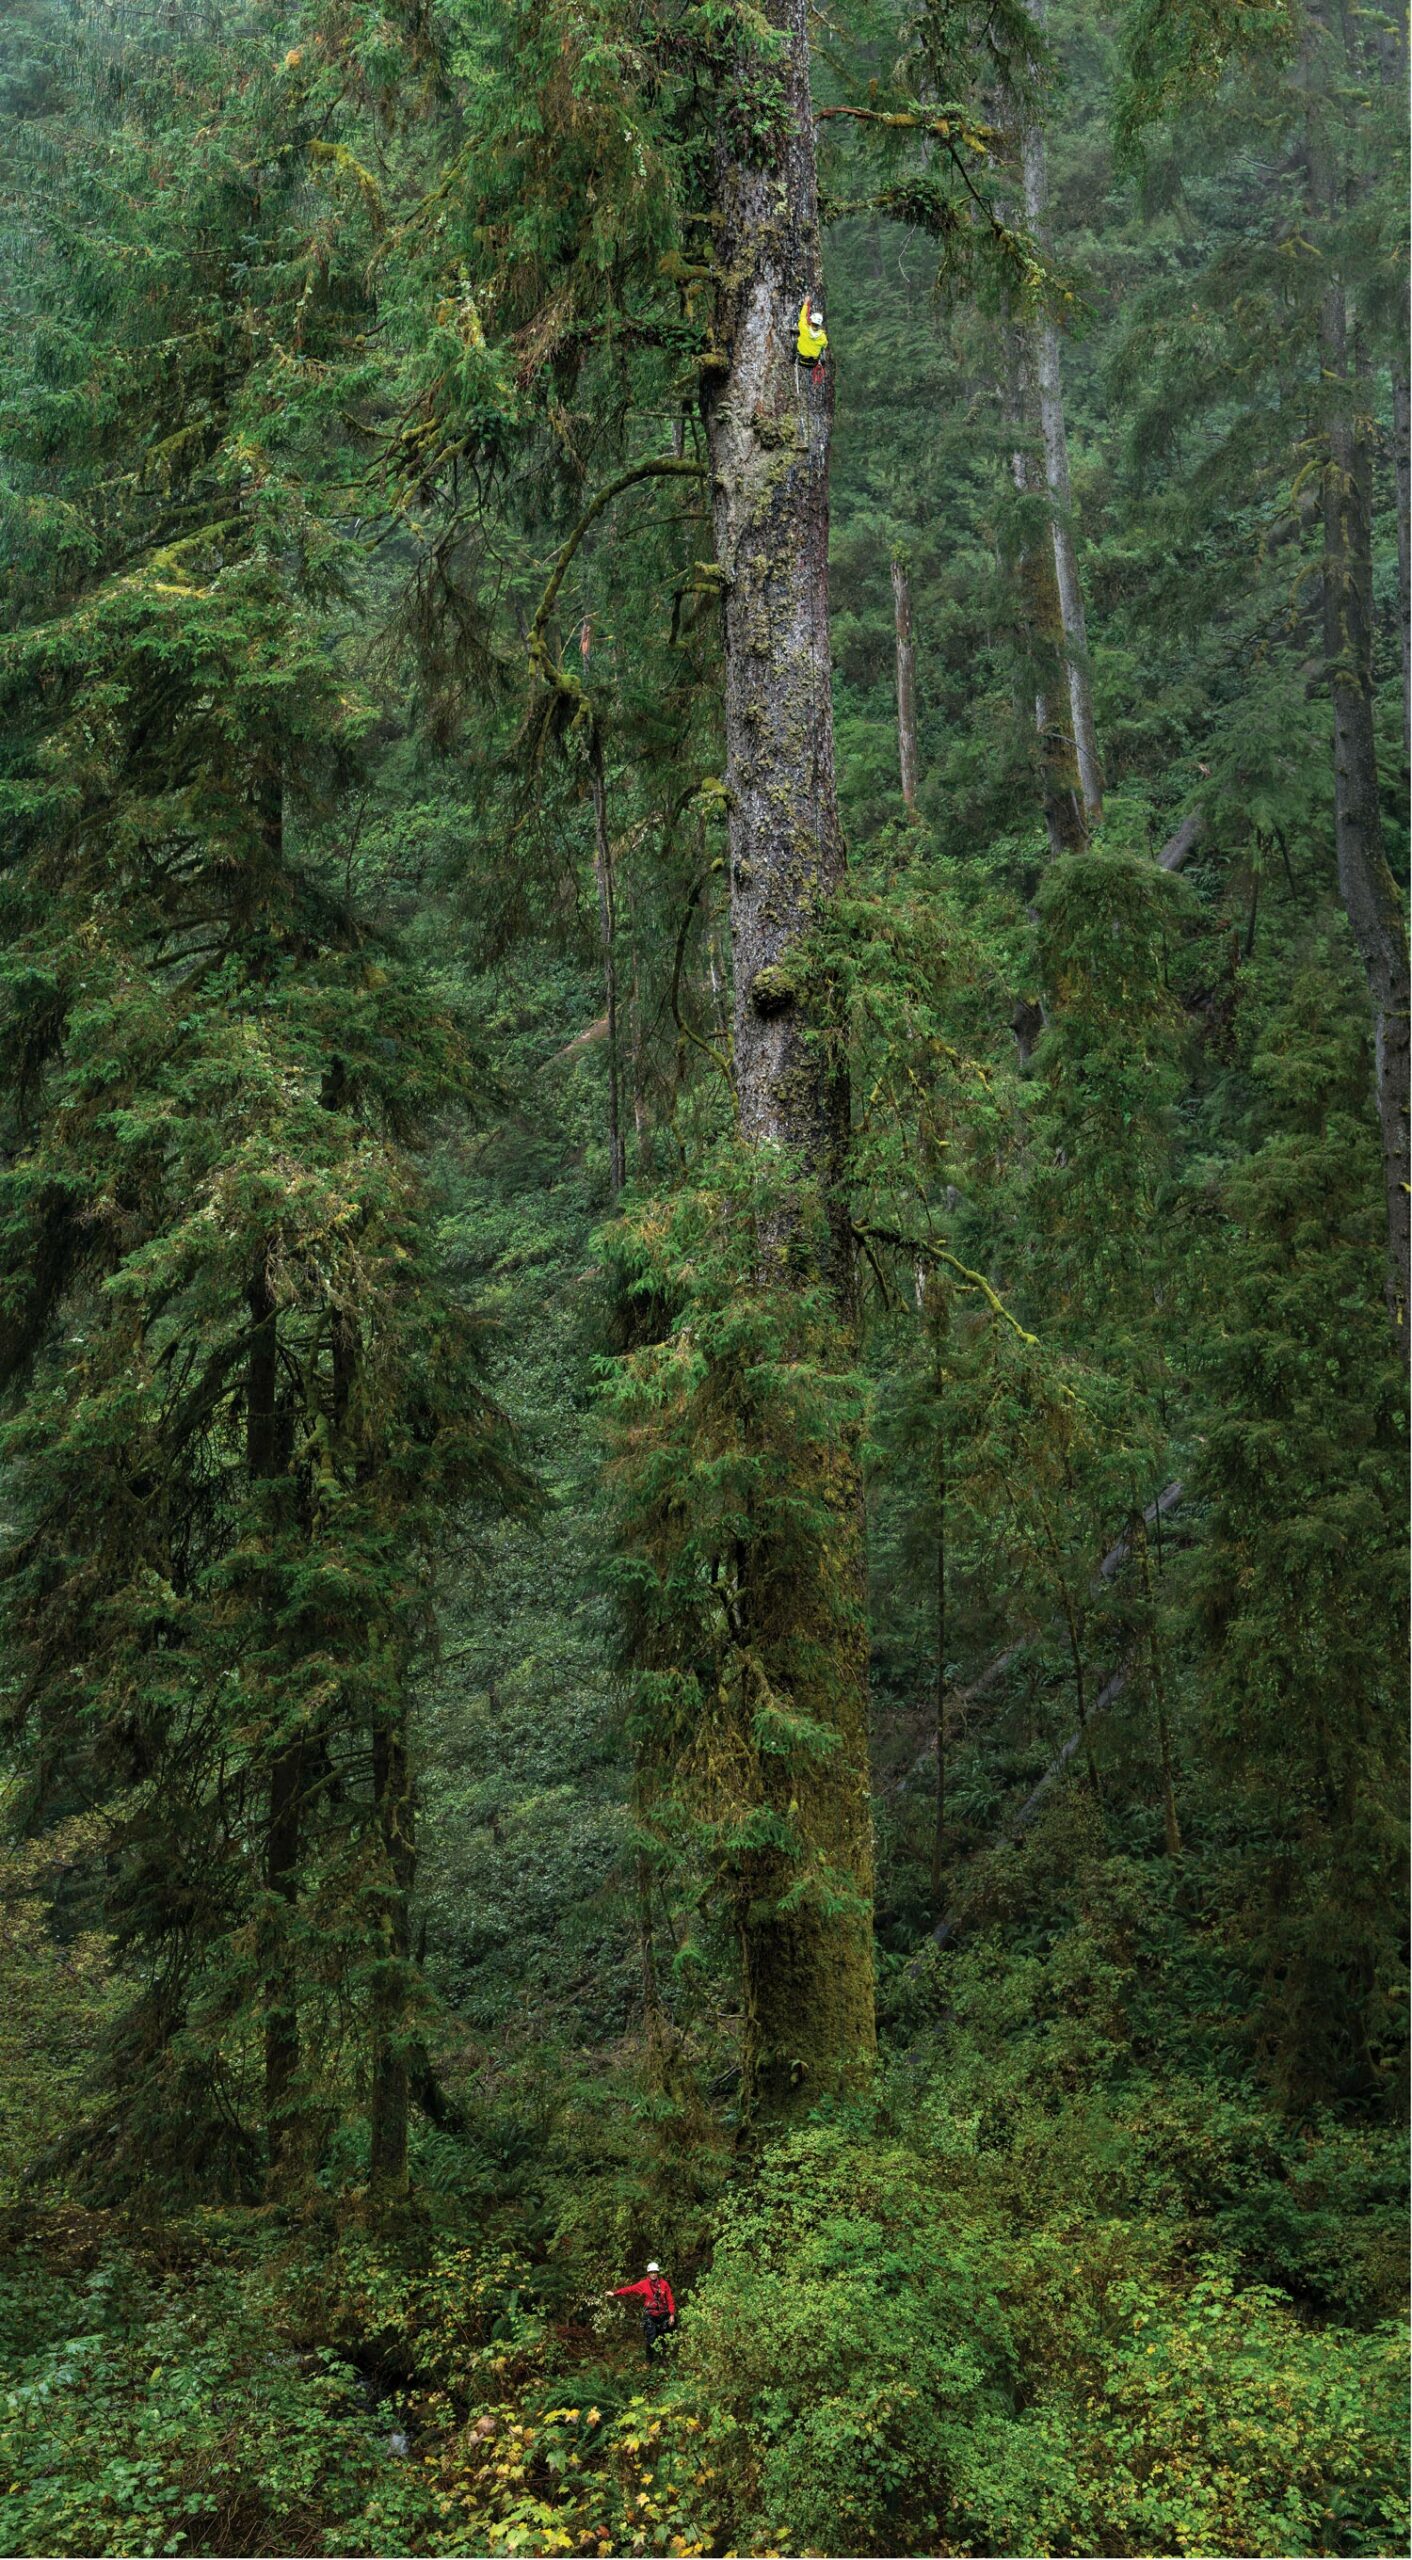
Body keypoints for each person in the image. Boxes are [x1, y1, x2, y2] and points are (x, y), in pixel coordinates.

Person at [607, 2260, 678, 2360]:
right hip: (651, 2316)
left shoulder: (664, 2284)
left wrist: (671, 2315)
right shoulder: (644, 2284)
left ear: (657, 2273)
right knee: (651, 2339)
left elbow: (670, 2300)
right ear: (648, 2273)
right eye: (651, 2272)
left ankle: (665, 2360)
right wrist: (615, 2293)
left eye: (655, 2272)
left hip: (663, 2315)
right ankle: (650, 2362)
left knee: (666, 2338)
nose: (653, 2274)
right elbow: (630, 2289)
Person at [796, 298, 828, 370]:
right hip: (813, 362)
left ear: (810, 321)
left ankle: (793, 357)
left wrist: (805, 303)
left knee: (797, 341)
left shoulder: (804, 329)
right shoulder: (823, 336)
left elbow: (802, 317)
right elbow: (825, 345)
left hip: (802, 360)